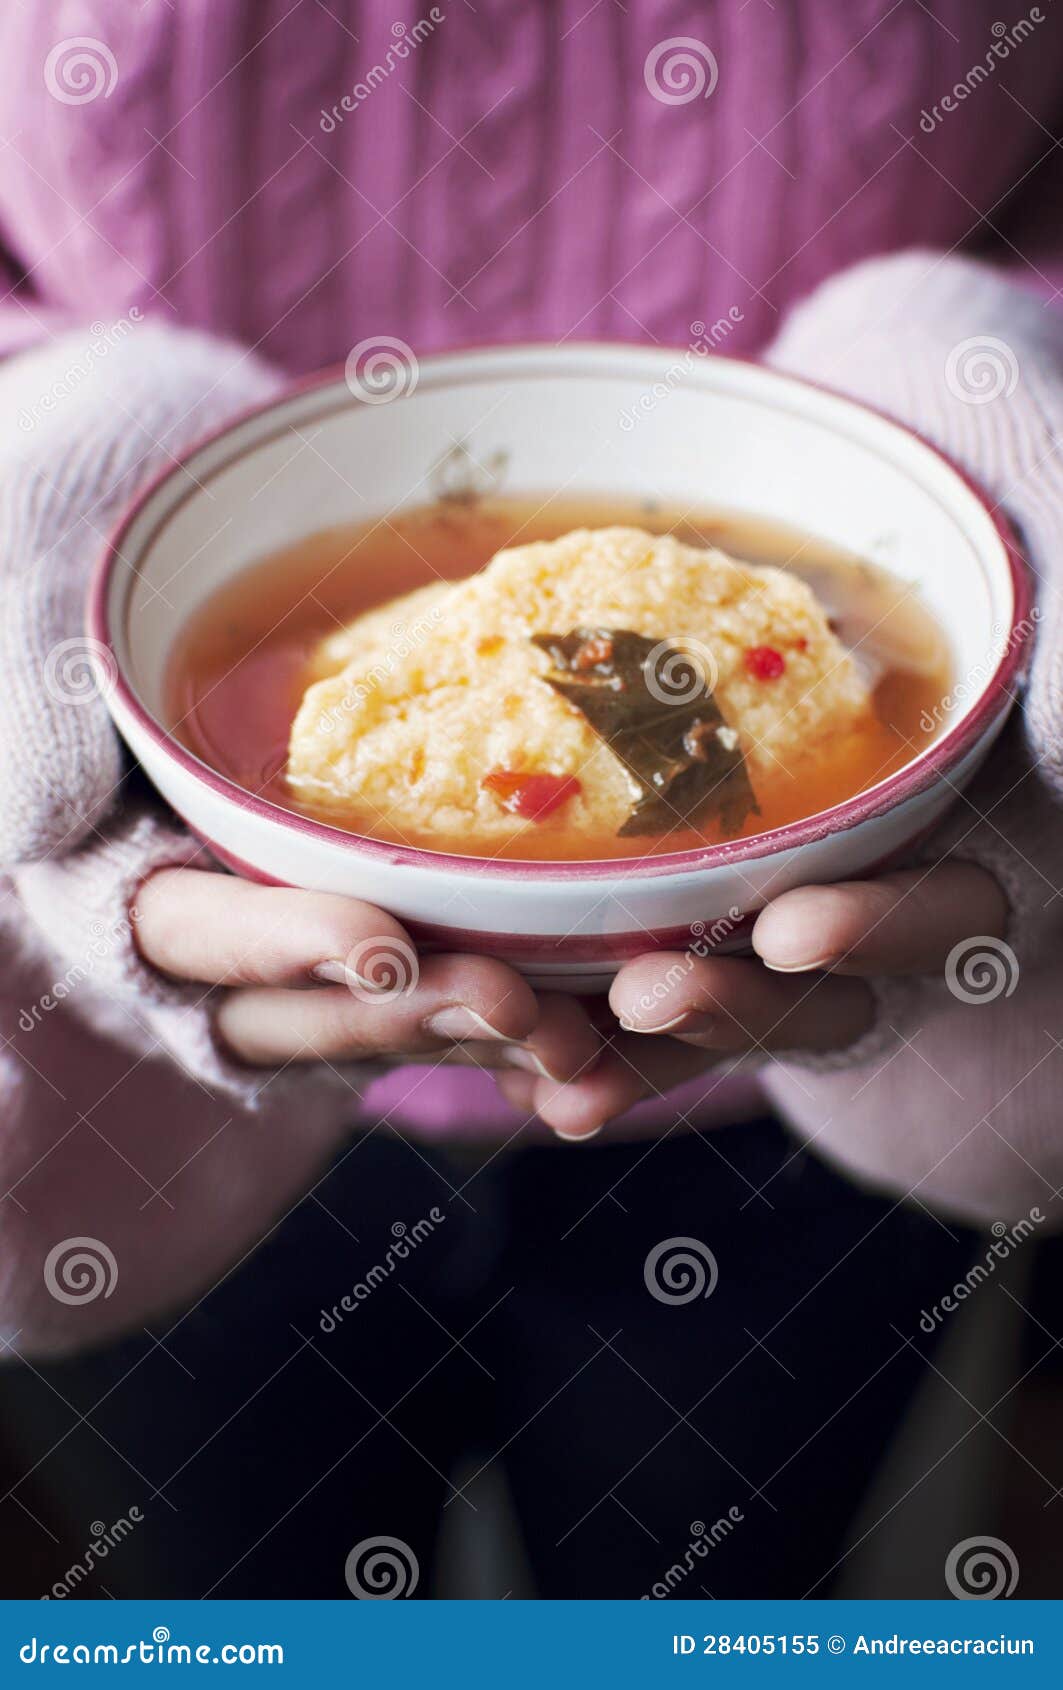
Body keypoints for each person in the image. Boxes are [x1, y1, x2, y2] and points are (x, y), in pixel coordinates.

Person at [1, 0, 1061, 1597]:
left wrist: (983, 376)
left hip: (809, 1065)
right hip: (124, 1107)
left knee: (699, 1612)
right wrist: (57, 440)